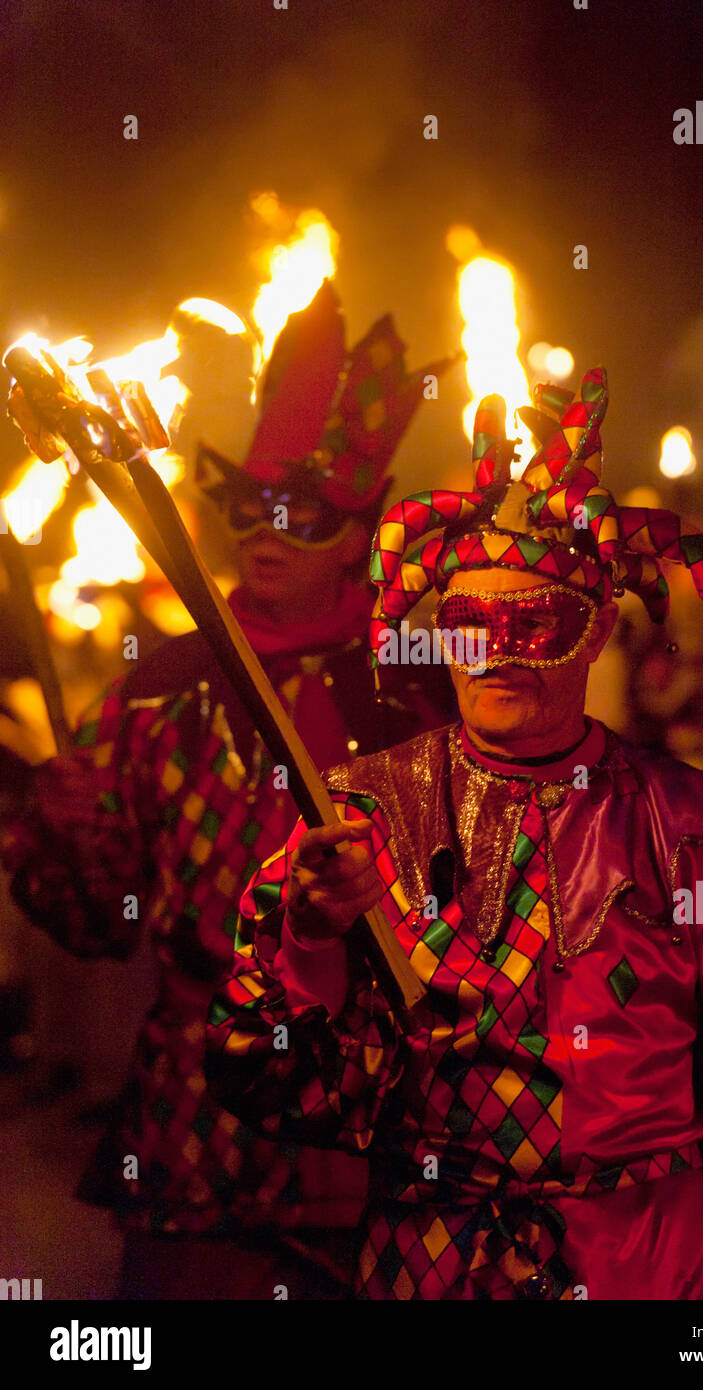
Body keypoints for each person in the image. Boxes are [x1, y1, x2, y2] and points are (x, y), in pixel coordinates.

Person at [207, 370, 703, 1300]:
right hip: (429, 1266)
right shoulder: (359, 815)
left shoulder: (696, 835)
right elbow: (266, 1089)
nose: (500, 651)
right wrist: (312, 943)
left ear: (595, 633)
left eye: (535, 622)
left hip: (648, 1269)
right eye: (469, 624)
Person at [0, 280, 454, 1299]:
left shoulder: (416, 697)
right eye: (248, 505)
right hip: (196, 1107)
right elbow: (98, 918)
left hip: (368, 1120)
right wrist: (55, 829)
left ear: (355, 528)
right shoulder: (162, 687)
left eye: (296, 513)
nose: (262, 530)